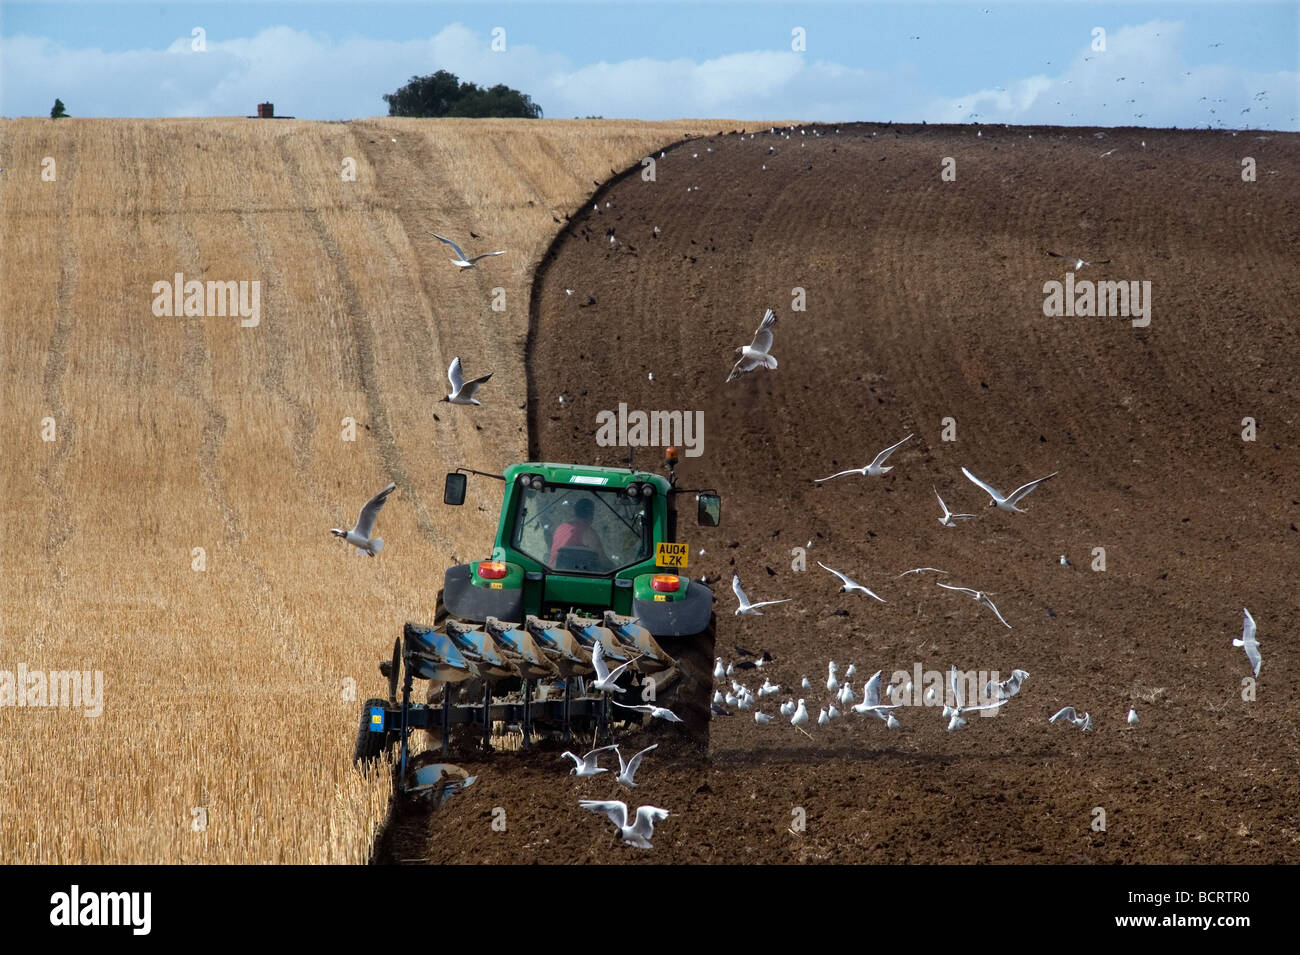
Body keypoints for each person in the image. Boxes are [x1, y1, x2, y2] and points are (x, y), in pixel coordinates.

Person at [549, 498, 605, 566]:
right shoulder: (588, 533)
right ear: (591, 514)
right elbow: (603, 560)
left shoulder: (561, 527)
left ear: (575, 512)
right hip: (571, 573)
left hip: (553, 572)